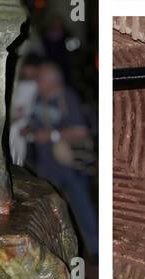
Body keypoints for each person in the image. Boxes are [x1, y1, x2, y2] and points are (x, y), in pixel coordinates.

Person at [22, 61, 99, 257]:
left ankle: (97, 251)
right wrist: (29, 130)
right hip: (47, 169)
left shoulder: (68, 99)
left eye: (39, 77)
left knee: (82, 209)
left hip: (70, 167)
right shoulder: (40, 98)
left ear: (51, 80)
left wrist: (53, 135)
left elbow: (81, 130)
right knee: (51, 212)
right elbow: (33, 122)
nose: (36, 81)